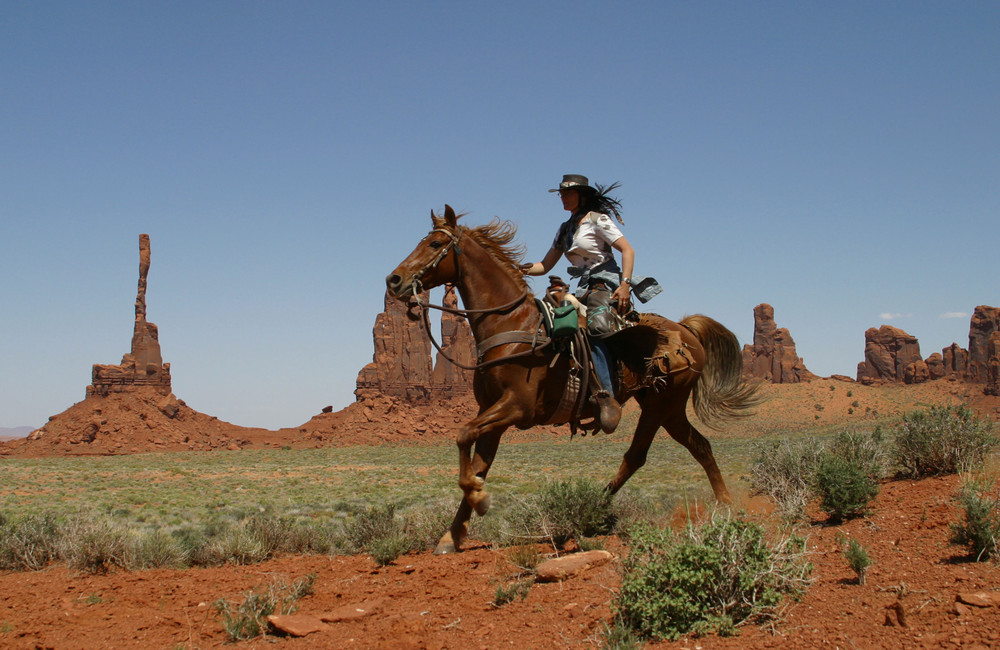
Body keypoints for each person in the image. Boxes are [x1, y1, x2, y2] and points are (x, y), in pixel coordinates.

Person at [522, 174, 644, 433]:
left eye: (568, 194)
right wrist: (515, 268)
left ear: (582, 195)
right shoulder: (565, 229)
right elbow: (544, 266)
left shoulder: (597, 219)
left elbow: (628, 250)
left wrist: (625, 284)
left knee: (595, 327)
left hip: (605, 282)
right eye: (561, 195)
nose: (563, 199)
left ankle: (606, 396)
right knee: (553, 322)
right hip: (581, 287)